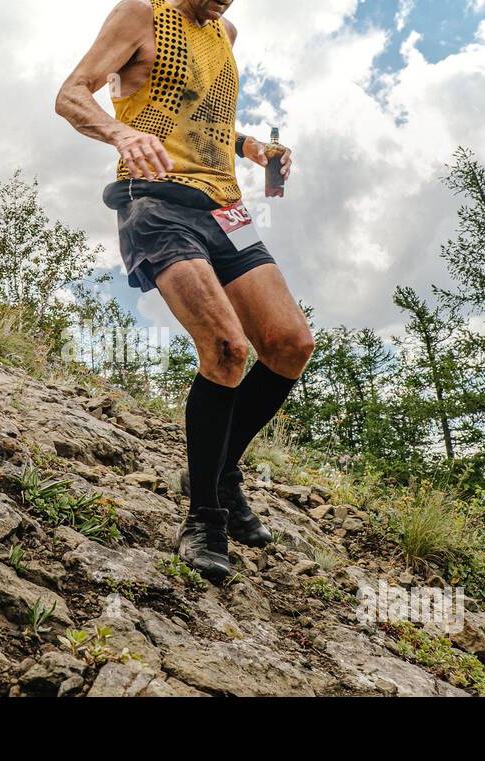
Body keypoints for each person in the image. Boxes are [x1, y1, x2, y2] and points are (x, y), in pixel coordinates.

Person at [57, 0, 313, 583]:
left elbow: (204, 116)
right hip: (155, 203)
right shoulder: (140, 14)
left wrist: (250, 147)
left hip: (226, 207)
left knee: (291, 344)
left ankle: (219, 470)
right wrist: (121, 133)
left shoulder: (226, 32)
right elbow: (71, 93)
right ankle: (205, 517)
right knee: (226, 350)